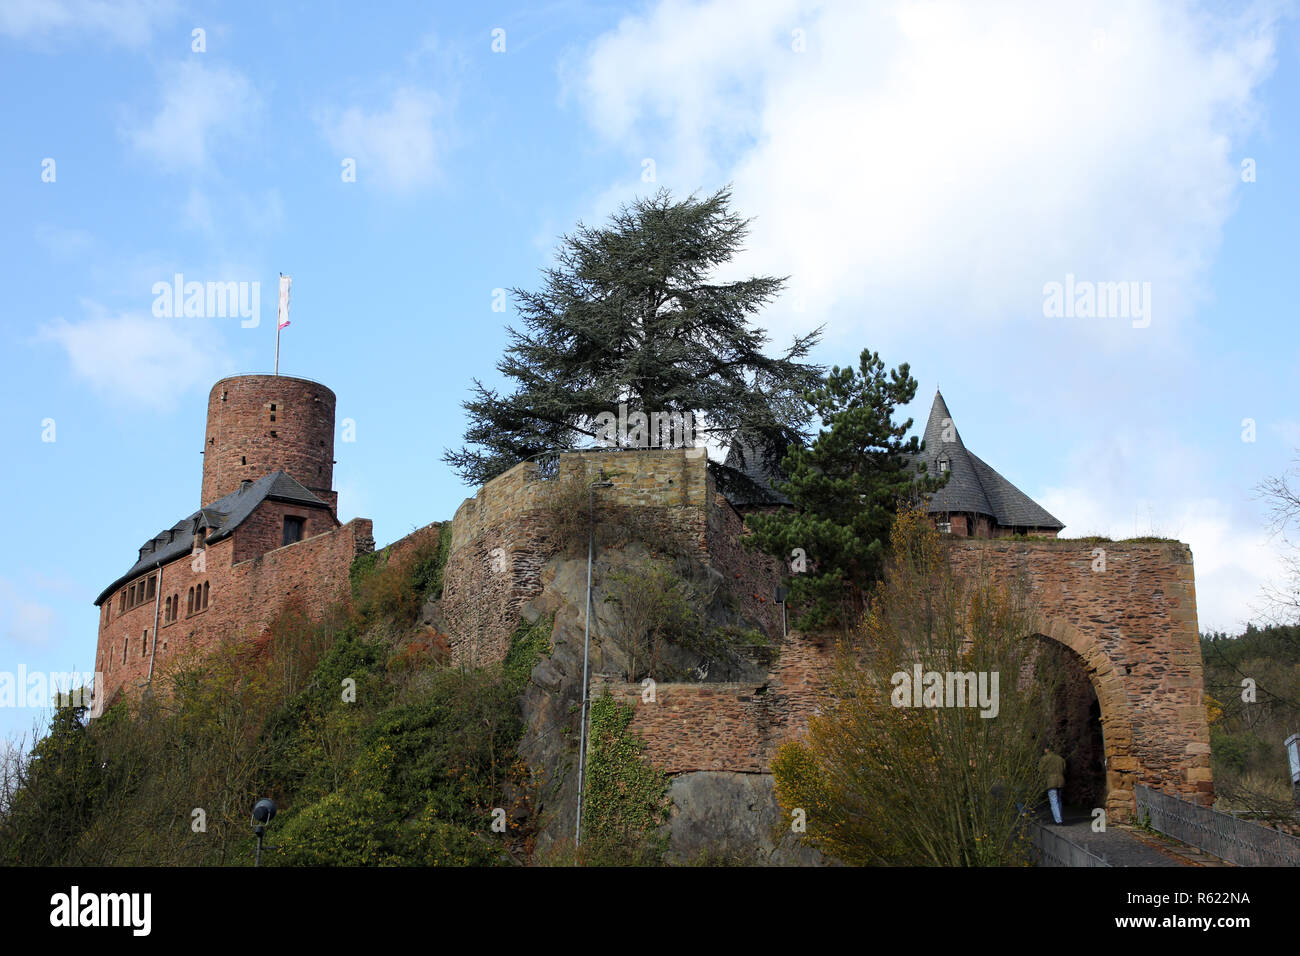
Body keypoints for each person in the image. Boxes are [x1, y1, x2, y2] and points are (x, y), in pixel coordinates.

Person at [1039, 746, 1066, 824]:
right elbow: (1064, 769)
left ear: (1047, 750)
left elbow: (1040, 770)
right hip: (1060, 780)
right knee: (1059, 799)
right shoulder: (1060, 758)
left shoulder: (1044, 759)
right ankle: (1059, 817)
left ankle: (1058, 820)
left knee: (1053, 801)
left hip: (1050, 781)